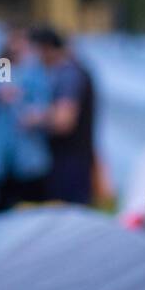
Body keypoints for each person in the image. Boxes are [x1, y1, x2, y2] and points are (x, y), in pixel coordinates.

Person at [0, 26, 51, 213]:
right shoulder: (3, 66)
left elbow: (40, 102)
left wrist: (34, 113)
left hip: (27, 156)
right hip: (2, 156)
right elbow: (1, 89)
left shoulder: (33, 69)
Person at [28, 25, 96, 205]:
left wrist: (34, 118)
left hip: (68, 165)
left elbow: (64, 120)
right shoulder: (70, 72)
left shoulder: (68, 74)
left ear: (47, 49)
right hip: (70, 163)